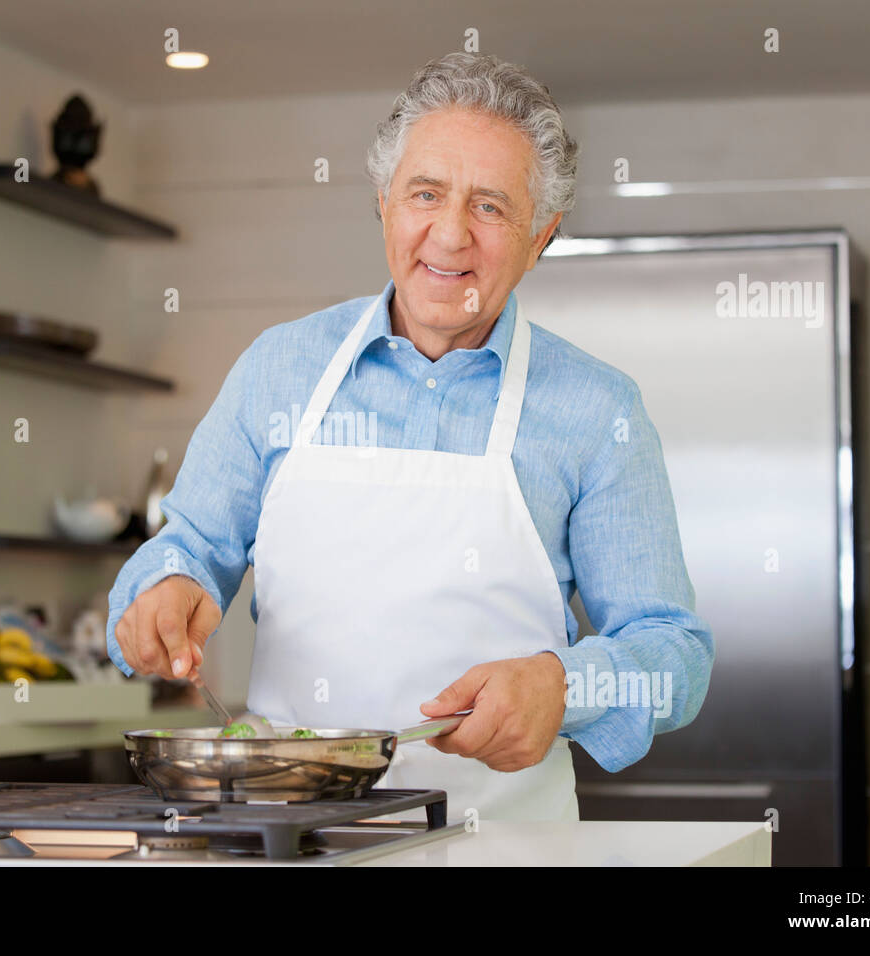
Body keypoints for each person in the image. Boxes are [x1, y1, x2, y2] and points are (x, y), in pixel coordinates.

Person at [107, 51, 713, 821]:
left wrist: (565, 686)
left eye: (491, 207)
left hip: (501, 845)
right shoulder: (280, 369)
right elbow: (188, 544)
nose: (450, 235)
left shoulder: (598, 410)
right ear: (384, 203)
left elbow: (674, 654)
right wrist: (166, 588)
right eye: (425, 193)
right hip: (287, 834)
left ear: (542, 237)